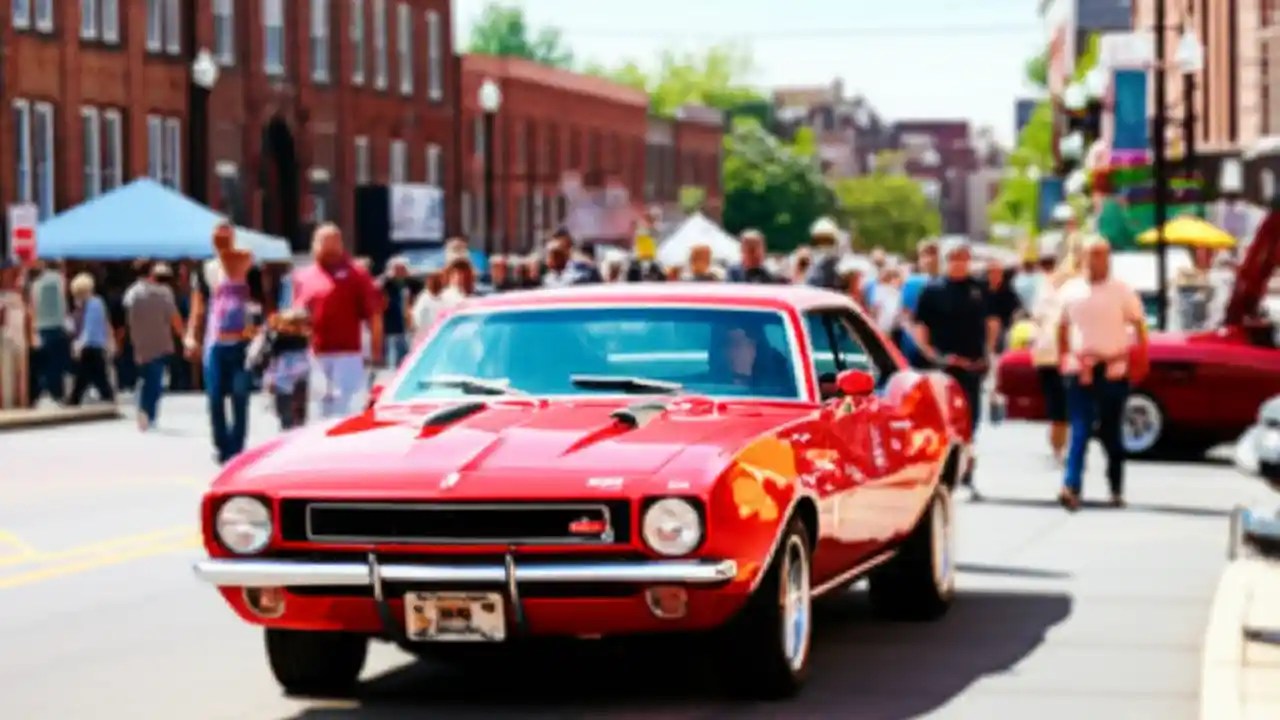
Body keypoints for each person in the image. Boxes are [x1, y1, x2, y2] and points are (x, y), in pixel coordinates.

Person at [1056, 236, 1150, 510]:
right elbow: (1062, 328)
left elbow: (1138, 325)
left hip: (1113, 370)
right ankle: (1071, 486)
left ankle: (1116, 486)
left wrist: (1141, 357)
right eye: (1094, 255)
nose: (1100, 261)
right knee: (1080, 429)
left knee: (1111, 433)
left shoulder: (1122, 291)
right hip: (1080, 370)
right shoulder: (1071, 291)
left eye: (1104, 255)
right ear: (1083, 258)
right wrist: (1065, 358)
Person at [913, 239, 1000, 499]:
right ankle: (944, 472)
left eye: (963, 258)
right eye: (954, 258)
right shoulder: (933, 290)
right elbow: (921, 328)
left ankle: (967, 471)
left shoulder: (979, 289)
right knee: (944, 421)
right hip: (944, 366)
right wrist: (931, 355)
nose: (959, 263)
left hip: (973, 365)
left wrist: (989, 352)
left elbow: (991, 323)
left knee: (969, 421)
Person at [185, 223, 264, 463]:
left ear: (233, 239)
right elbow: (198, 306)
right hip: (215, 341)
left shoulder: (249, 264)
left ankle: (237, 447)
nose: (221, 243)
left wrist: (257, 331)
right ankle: (222, 445)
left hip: (242, 342)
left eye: (225, 238)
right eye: (217, 239)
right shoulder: (206, 269)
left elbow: (260, 302)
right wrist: (191, 335)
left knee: (240, 395)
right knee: (215, 395)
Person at [292, 224, 384, 420]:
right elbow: (297, 314)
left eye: (333, 243)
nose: (329, 249)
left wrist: (376, 352)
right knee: (318, 413)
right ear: (314, 245)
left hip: (347, 355)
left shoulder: (356, 274)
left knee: (346, 413)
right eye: (323, 243)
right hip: (316, 355)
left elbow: (374, 315)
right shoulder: (303, 276)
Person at [124, 262, 184, 430]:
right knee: (155, 381)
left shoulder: (131, 293)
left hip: (141, 343)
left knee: (145, 378)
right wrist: (183, 336)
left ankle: (143, 409)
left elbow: (127, 319)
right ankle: (149, 413)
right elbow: (174, 318)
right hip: (160, 342)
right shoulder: (164, 293)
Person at [1029, 250, 1071, 461]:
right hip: (1052, 352)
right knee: (1060, 402)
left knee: (1058, 403)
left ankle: (1059, 445)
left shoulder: (1043, 287)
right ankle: (1059, 445)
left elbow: (1035, 317)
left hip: (1050, 352)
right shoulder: (1052, 287)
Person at [67, 272, 116, 406]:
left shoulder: (93, 305)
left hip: (91, 346)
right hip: (93, 346)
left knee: (91, 376)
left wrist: (79, 345)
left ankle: (74, 400)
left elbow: (89, 327)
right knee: (90, 377)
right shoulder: (92, 304)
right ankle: (75, 399)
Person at [261, 310, 312, 430]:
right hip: (284, 361)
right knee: (286, 413)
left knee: (296, 412)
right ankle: (291, 431)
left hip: (296, 360)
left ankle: (295, 432)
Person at [26, 260, 68, 404]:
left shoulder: (35, 283)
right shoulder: (59, 279)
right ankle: (56, 394)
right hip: (57, 325)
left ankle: (41, 393)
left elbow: (33, 305)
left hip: (41, 327)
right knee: (55, 364)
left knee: (42, 364)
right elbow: (63, 302)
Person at [898, 240, 941, 367]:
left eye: (934, 254)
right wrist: (923, 346)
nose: (930, 259)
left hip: (943, 349)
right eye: (925, 254)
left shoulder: (948, 284)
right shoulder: (912, 284)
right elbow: (906, 317)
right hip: (915, 349)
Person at [376, 256, 417, 369]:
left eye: (403, 269)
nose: (401, 272)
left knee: (407, 364)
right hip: (390, 331)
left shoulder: (410, 284)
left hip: (406, 331)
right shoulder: (385, 285)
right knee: (393, 364)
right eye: (398, 269)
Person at [804, 218, 842, 290]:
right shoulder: (809, 264)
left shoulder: (839, 265)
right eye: (819, 240)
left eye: (827, 240)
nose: (822, 245)